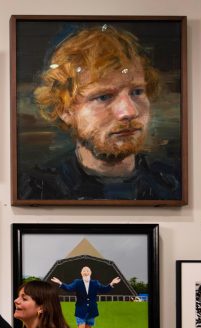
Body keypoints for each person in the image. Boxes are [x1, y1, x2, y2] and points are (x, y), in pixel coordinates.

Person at [18, 25, 181, 201]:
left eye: (137, 92)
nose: (129, 112)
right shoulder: (38, 189)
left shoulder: (173, 181)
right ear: (64, 110)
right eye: (103, 97)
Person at [51, 266, 120, 328]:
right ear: (81, 273)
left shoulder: (95, 283)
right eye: (84, 270)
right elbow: (68, 288)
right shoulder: (77, 282)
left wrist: (111, 283)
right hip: (80, 310)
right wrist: (60, 283)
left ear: (90, 273)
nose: (85, 272)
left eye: (87, 270)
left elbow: (104, 290)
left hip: (92, 311)